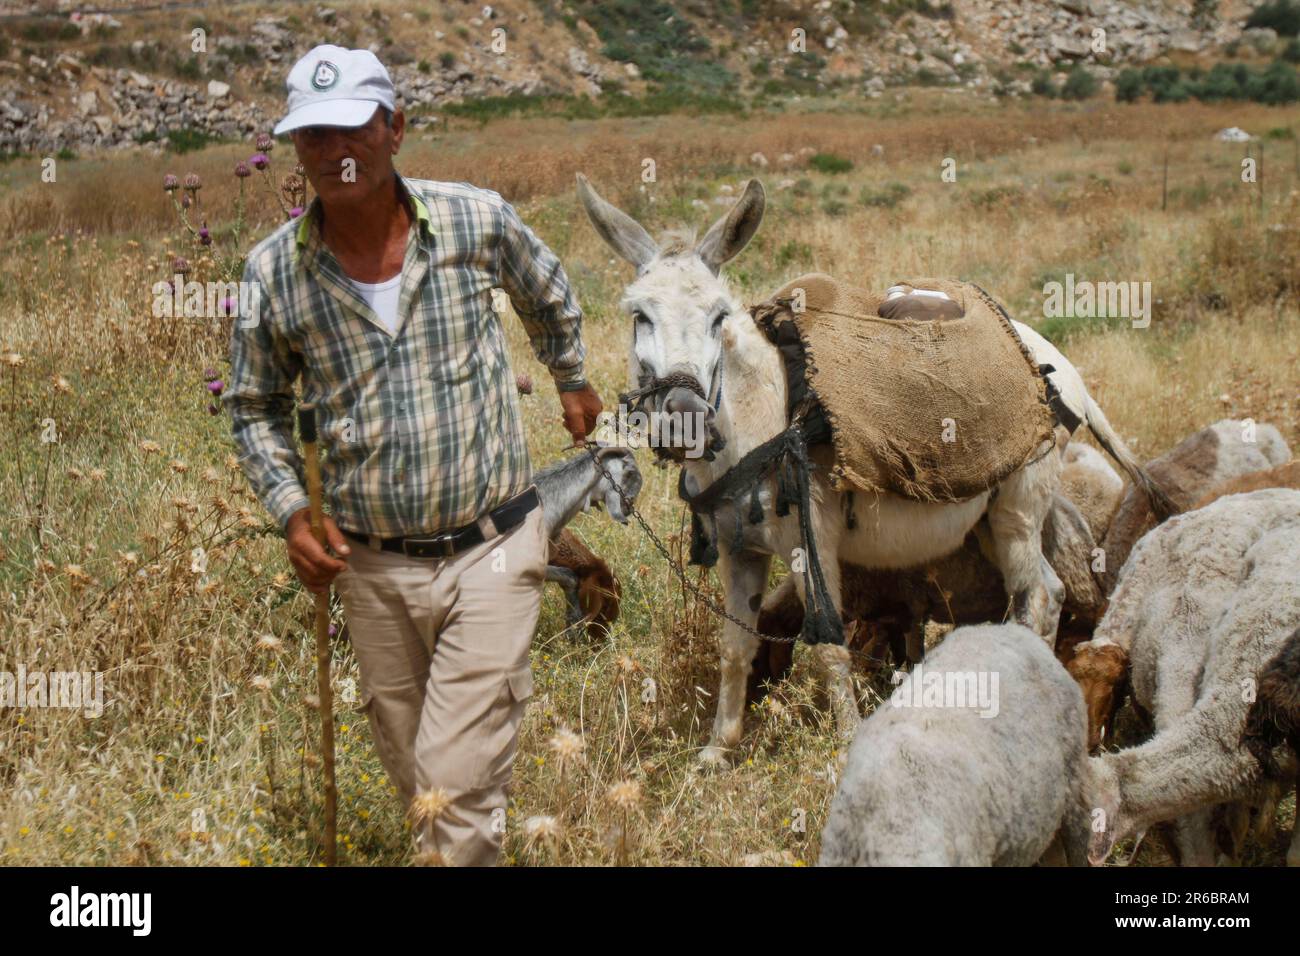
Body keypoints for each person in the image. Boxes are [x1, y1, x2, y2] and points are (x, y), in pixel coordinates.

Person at [224, 45, 603, 865]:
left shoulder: (474, 220)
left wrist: (570, 376)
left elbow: (546, 288)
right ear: (294, 149)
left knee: (451, 788)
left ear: (395, 128)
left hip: (492, 545)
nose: (332, 151)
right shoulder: (272, 275)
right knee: (420, 783)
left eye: (351, 128)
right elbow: (253, 408)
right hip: (371, 566)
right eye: (311, 135)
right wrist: (291, 512)